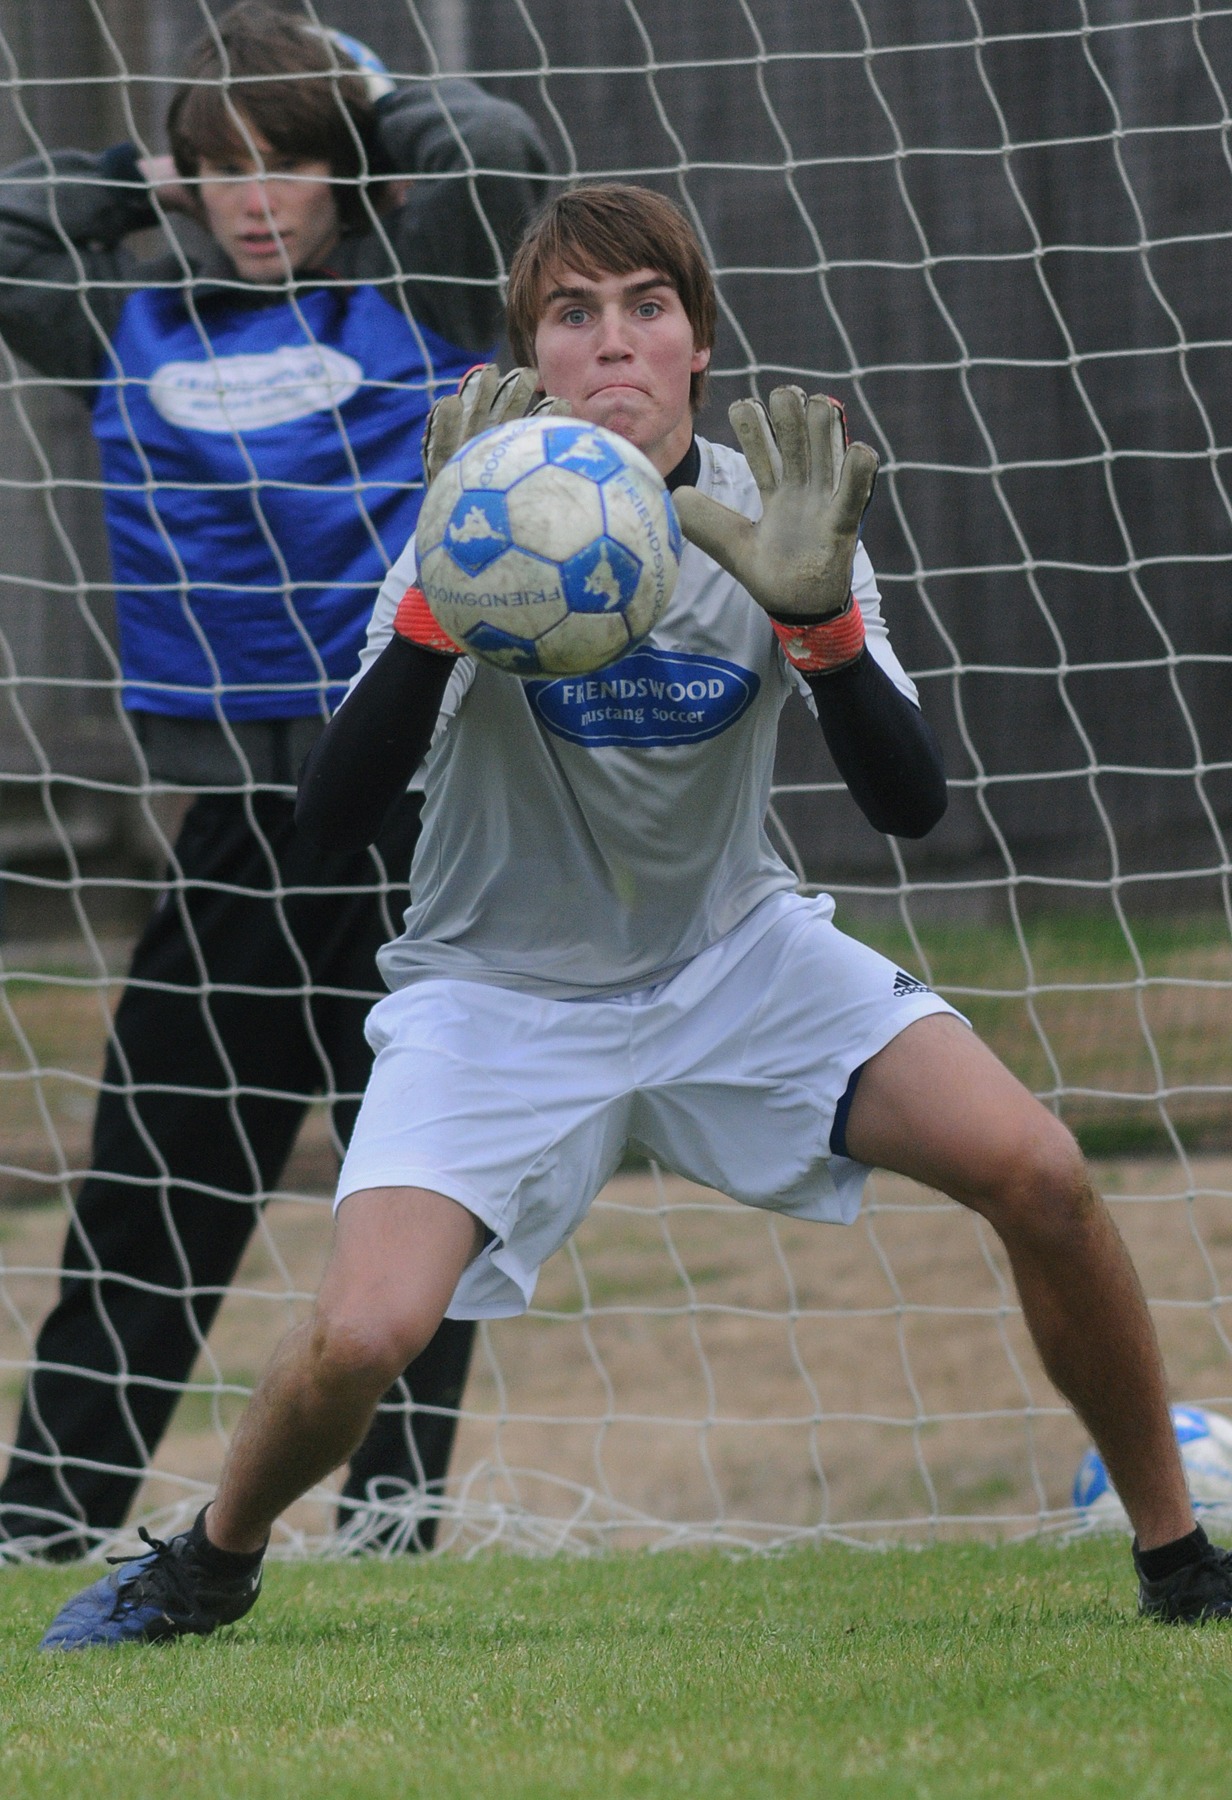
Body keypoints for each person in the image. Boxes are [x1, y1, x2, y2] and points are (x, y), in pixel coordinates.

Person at [38, 181, 1232, 1648]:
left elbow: (911, 803)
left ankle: (1179, 1555)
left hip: (733, 956)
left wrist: (820, 627)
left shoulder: (785, 518)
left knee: (1042, 1173)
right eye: (572, 312)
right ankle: (209, 1562)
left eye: (646, 307)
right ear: (533, 356)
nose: (613, 341)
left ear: (698, 343)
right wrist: (438, 606)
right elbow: (331, 818)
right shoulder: (471, 520)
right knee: (361, 1334)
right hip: (495, 993)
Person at [0, 2, 549, 1560]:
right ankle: (44, 1519)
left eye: (287, 164)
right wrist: (148, 169)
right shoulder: (127, 324)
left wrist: (362, 103)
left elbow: (493, 148)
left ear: (346, 174)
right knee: (149, 1174)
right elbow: (10, 229)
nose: (255, 201)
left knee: (415, 1189)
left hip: (415, 819)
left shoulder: (426, 294)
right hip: (236, 825)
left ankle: (390, 1523)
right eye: (223, 170)